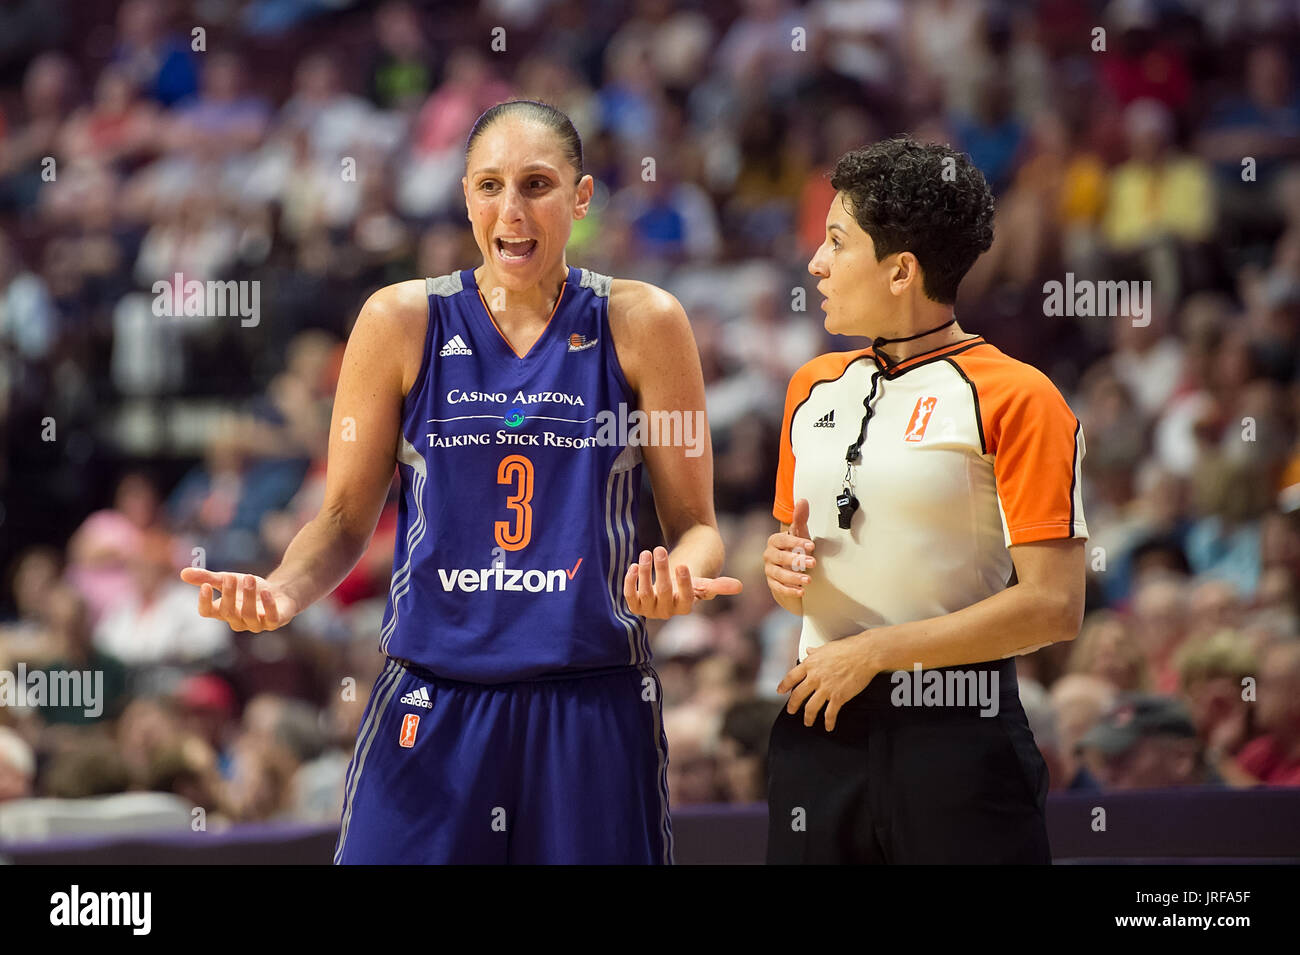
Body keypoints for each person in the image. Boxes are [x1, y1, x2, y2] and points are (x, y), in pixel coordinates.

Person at [180, 100, 739, 863]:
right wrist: (282, 592)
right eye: (490, 185)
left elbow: (698, 527)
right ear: (464, 195)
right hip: (433, 694)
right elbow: (343, 517)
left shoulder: (644, 320)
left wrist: (680, 575)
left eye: (538, 184)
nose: (512, 209)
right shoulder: (399, 319)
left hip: (590, 698)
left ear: (582, 197)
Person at [763, 137, 1087, 864]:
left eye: (836, 242)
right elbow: (800, 577)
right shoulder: (809, 386)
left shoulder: (1019, 396)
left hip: (956, 734)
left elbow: (1054, 606)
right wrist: (785, 571)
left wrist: (877, 653)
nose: (814, 262)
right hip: (819, 726)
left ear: (901, 269)